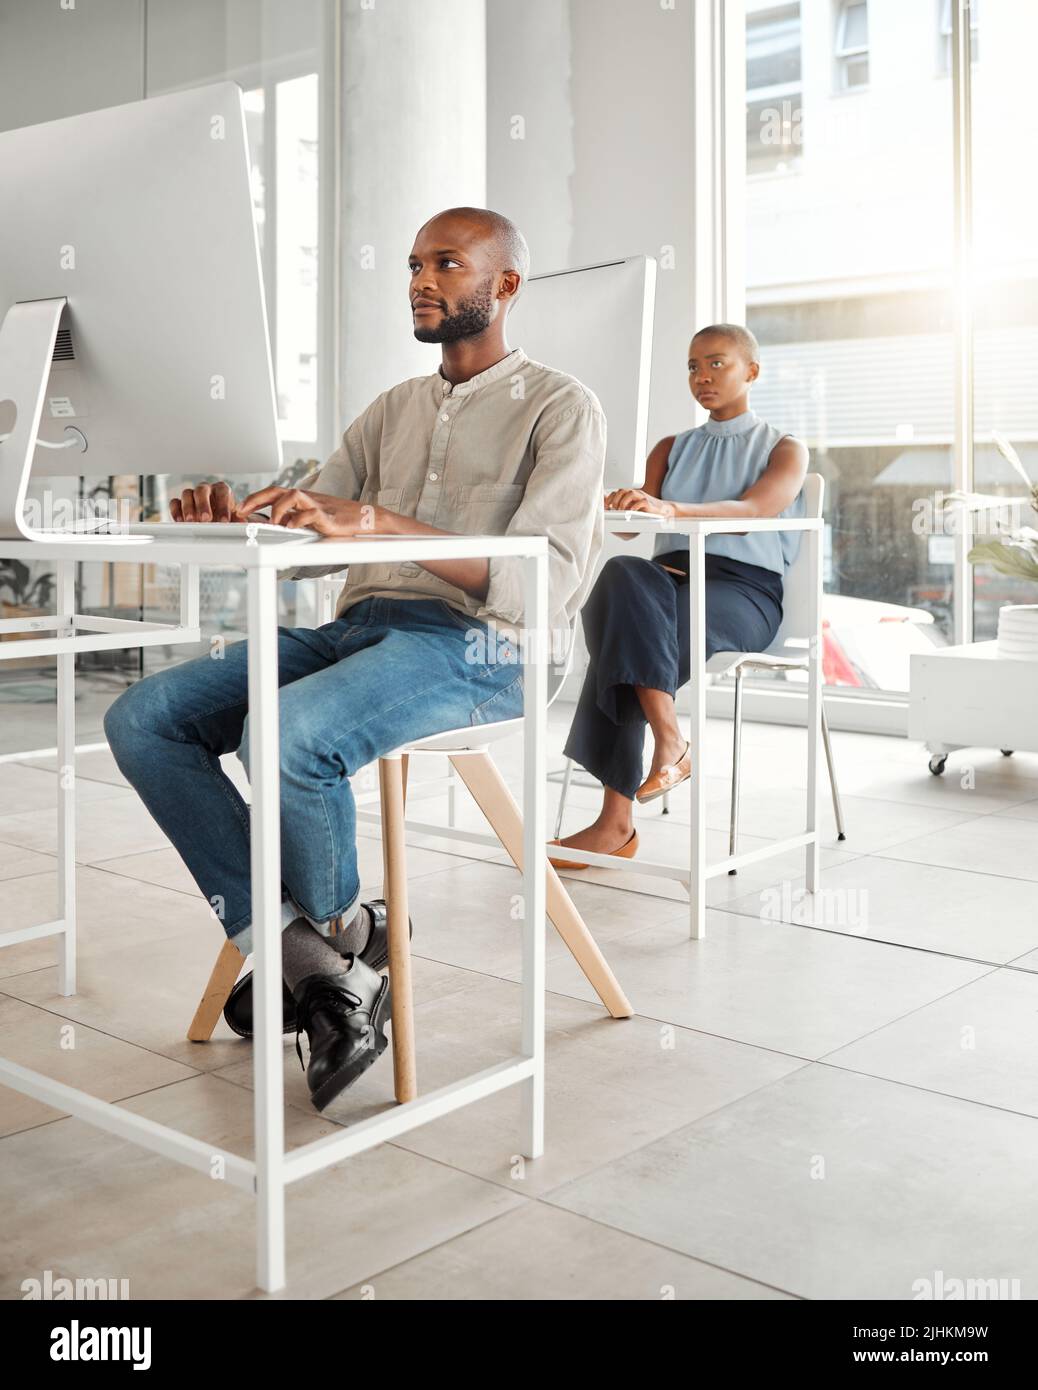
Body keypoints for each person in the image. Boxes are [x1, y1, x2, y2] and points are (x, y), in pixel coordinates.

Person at [103, 207, 606, 1111]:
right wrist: (248, 517)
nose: (421, 280)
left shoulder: (562, 407)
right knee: (143, 718)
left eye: (448, 265)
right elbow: (323, 528)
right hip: (360, 628)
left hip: (486, 647)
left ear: (506, 286)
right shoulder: (393, 410)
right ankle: (337, 954)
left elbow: (547, 584)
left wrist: (379, 523)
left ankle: (311, 965)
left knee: (288, 732)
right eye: (415, 264)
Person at [549, 322, 807, 869]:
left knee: (630, 638)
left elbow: (754, 511)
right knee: (621, 573)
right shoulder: (672, 447)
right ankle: (670, 741)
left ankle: (615, 824)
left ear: (751, 372)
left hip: (743, 589)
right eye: (693, 365)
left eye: (717, 363)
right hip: (667, 576)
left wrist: (671, 509)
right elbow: (623, 532)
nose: (703, 376)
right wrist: (628, 500)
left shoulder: (784, 449)